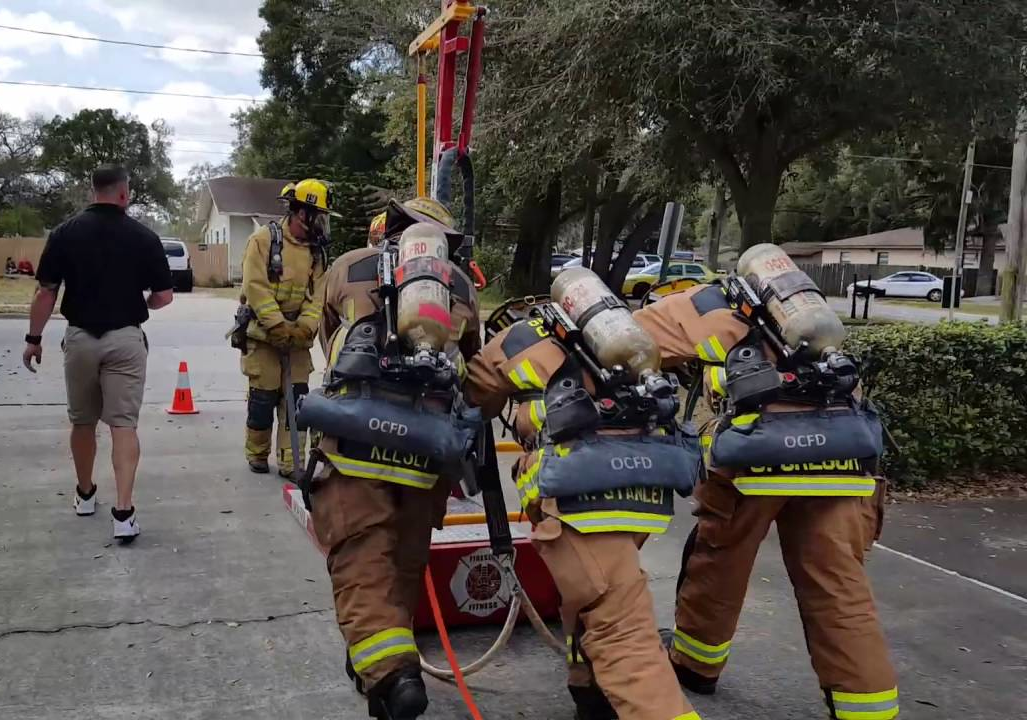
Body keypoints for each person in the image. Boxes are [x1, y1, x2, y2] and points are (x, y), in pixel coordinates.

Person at [631, 244, 897, 720]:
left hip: (757, 459)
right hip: (841, 459)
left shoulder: (707, 305)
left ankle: (696, 665)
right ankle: (867, 707)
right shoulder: (812, 314)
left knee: (719, 562)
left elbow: (633, 343)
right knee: (839, 586)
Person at [465, 268, 701, 720]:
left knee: (621, 632)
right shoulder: (635, 332)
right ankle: (588, 690)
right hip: (647, 491)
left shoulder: (521, 339)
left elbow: (476, 392)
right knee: (592, 590)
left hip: (579, 495)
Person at [301, 197, 480, 720]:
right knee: (403, 563)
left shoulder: (348, 267)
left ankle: (392, 675)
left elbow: (327, 335)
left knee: (360, 561)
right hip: (426, 455)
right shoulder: (462, 289)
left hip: (355, 443)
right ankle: (384, 673)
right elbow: (472, 365)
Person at [22, 164, 174, 543]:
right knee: (123, 424)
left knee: (82, 420)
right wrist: (144, 303)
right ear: (124, 194)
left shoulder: (64, 234)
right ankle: (124, 513)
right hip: (125, 339)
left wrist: (33, 338)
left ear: (93, 192)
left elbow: (45, 292)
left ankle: (86, 493)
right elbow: (164, 296)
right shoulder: (144, 237)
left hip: (80, 339)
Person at [238, 178, 332, 477]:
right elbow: (255, 287)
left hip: (297, 341)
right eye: (321, 216)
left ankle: (292, 463)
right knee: (263, 399)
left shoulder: (317, 252)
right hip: (264, 337)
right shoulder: (263, 241)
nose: (324, 223)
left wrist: (304, 328)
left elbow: (318, 295)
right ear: (302, 213)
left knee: (296, 401)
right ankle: (257, 454)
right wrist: (277, 327)